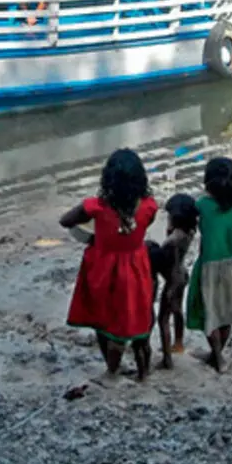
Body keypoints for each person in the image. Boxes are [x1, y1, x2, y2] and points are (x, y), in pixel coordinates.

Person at [60, 149, 158, 381]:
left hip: (103, 268)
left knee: (103, 320)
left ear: (107, 179)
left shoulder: (95, 207)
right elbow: (140, 225)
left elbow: (65, 220)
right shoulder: (148, 207)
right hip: (135, 267)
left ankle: (112, 370)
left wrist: (93, 238)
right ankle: (143, 374)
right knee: (135, 316)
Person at [185, 157, 232, 373]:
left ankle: (216, 355)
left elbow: (186, 219)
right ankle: (218, 355)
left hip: (208, 266)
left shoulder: (203, 206)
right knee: (227, 314)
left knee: (210, 313)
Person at [150, 192, 200, 369]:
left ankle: (167, 359)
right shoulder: (189, 232)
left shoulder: (171, 241)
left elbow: (163, 258)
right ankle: (178, 343)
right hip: (181, 274)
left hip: (172, 280)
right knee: (178, 311)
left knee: (163, 319)